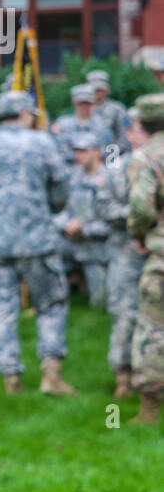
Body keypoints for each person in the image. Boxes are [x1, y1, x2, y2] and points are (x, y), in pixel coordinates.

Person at [0, 90, 75, 396]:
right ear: (25, 113)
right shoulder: (43, 143)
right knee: (50, 305)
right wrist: (45, 208)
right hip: (37, 240)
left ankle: (11, 378)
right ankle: (51, 375)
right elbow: (61, 192)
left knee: (1, 308)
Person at [96, 108, 148, 398]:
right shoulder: (116, 168)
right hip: (126, 254)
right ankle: (123, 376)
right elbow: (103, 206)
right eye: (139, 129)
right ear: (128, 133)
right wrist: (138, 214)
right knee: (125, 315)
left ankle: (152, 378)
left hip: (157, 254)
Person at [128, 93, 164, 425]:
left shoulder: (147, 157)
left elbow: (140, 206)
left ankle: (151, 412)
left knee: (154, 329)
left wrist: (140, 233)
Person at [54, 133, 110, 307]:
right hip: (69, 242)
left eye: (84, 151)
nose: (79, 156)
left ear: (97, 152)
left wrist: (84, 229)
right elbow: (58, 210)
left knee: (99, 303)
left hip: (96, 247)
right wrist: (66, 225)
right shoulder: (71, 176)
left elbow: (113, 223)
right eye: (77, 151)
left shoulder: (110, 178)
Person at [51, 84, 113, 165]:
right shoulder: (63, 124)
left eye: (87, 103)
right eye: (80, 103)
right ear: (74, 103)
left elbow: (111, 149)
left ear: (93, 102)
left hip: (98, 170)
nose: (84, 106)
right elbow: (57, 150)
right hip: (70, 169)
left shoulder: (102, 125)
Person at [86, 69, 127, 150]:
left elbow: (125, 137)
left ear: (107, 90)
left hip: (112, 156)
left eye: (100, 90)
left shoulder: (117, 109)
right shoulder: (83, 109)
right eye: (93, 90)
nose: (96, 92)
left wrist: (109, 155)